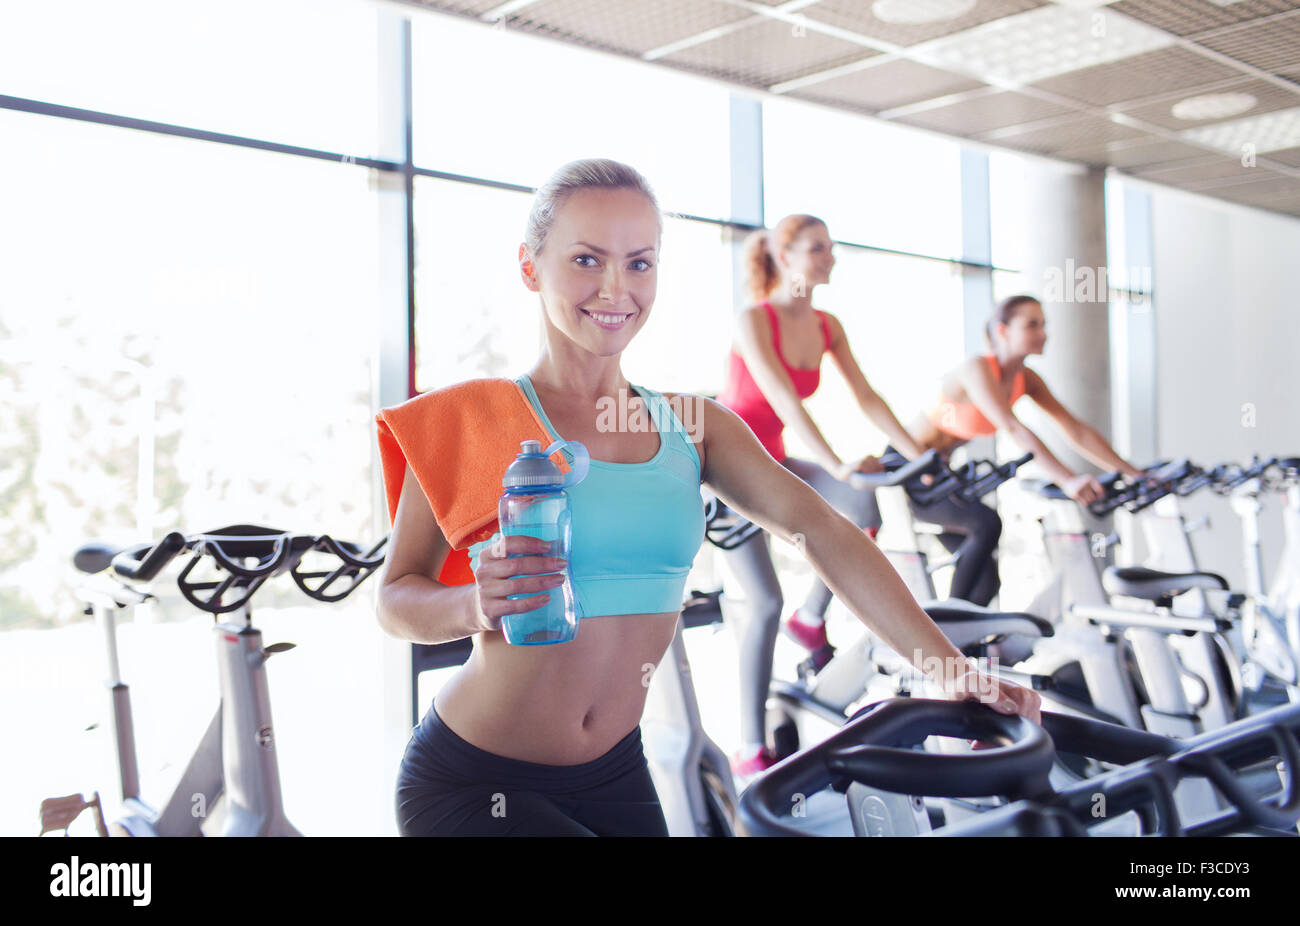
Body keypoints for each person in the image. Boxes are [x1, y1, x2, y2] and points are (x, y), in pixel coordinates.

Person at [377, 158, 1039, 837]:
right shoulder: (474, 419)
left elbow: (824, 533)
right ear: (529, 267)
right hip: (474, 779)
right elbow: (396, 600)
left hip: (615, 770)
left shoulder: (693, 426)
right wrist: (470, 603)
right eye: (585, 259)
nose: (615, 287)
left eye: (640, 263)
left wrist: (947, 668)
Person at [716, 214, 926, 775]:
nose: (829, 257)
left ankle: (811, 619)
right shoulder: (753, 320)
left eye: (832, 248)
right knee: (762, 604)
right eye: (817, 248)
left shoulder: (827, 324)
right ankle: (748, 745)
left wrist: (921, 456)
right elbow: (785, 401)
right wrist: (836, 462)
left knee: (860, 505)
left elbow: (868, 395)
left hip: (776, 460)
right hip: (724, 466)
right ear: (784, 257)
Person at [902, 293, 1146, 608]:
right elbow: (1013, 427)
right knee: (986, 523)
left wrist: (1135, 472)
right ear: (1002, 330)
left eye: (1044, 325)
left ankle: (962, 642)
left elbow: (1075, 429)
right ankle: (947, 629)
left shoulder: (1025, 379)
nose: (1043, 333)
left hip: (941, 476)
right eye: (1032, 325)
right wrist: (1067, 480)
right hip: (909, 468)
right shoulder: (976, 368)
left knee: (987, 582)